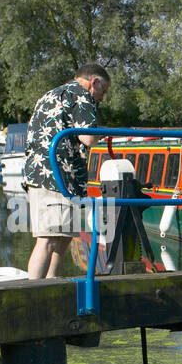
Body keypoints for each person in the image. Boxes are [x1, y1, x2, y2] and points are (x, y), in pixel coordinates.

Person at [22, 63, 110, 279]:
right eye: (103, 91)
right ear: (94, 82)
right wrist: (103, 134)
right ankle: (31, 294)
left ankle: (51, 285)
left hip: (41, 174)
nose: (101, 98)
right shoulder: (81, 95)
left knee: (62, 237)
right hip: (56, 177)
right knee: (48, 239)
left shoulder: (50, 95)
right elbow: (88, 138)